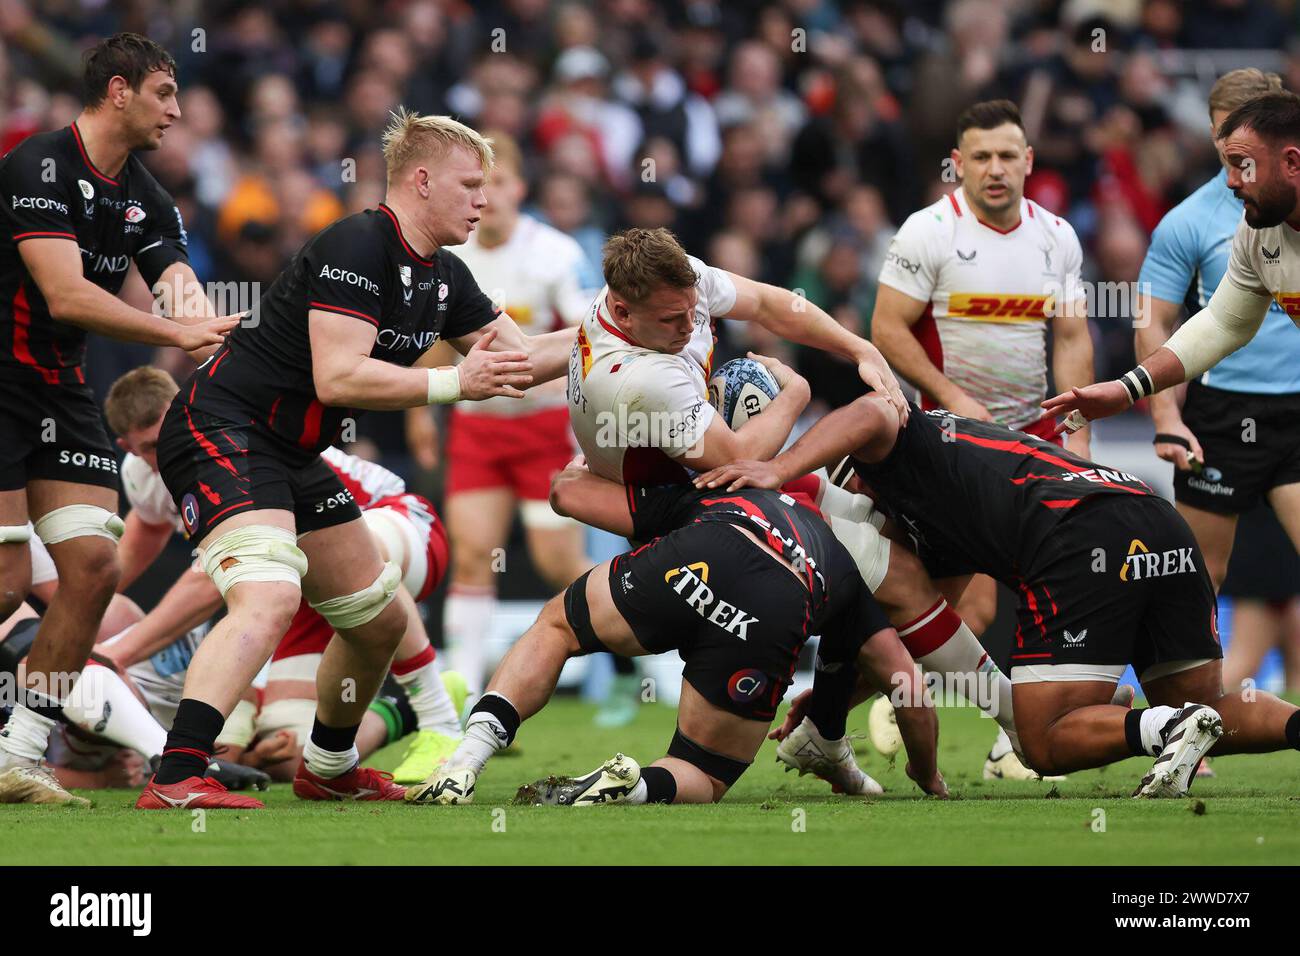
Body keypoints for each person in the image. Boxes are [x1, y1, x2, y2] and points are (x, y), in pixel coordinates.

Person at [136, 110, 576, 810]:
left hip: (290, 450)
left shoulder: (445, 276)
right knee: (272, 592)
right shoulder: (358, 241)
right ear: (422, 180)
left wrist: (613, 332)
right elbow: (340, 377)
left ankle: (328, 766)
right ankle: (176, 773)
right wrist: (455, 383)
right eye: (470, 184)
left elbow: (519, 360)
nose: (484, 201)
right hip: (222, 424)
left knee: (379, 622)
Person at [566, 227, 1019, 779]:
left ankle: (824, 729)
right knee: (901, 585)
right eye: (671, 321)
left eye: (692, 313)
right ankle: (1019, 721)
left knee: (905, 555)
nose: (690, 328)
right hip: (722, 514)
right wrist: (796, 393)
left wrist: (858, 346)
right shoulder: (641, 379)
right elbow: (740, 455)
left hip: (749, 493)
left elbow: (773, 304)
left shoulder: (665, 290)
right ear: (624, 310)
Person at [697, 397, 1300, 796]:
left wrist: (780, 468)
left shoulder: (902, 454)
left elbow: (872, 411)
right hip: (1154, 517)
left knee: (1041, 740)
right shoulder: (936, 525)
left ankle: (1166, 727)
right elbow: (929, 635)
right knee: (1213, 707)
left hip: (1076, 537)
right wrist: (841, 696)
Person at [406, 459, 944, 806]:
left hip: (707, 549)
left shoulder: (724, 484)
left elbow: (567, 495)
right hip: (777, 605)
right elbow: (911, 693)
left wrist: (588, 456)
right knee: (701, 774)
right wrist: (926, 775)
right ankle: (633, 786)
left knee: (557, 627)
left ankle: (466, 760)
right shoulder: (846, 569)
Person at [0, 33, 237, 806]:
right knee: (5, 583)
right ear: (119, 92)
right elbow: (66, 295)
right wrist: (175, 333)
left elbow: (176, 282)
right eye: (165, 93)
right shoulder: (38, 167)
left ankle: (18, 753)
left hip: (60, 391)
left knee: (94, 571)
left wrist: (209, 331)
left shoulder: (148, 195)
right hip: (1, 381)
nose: (177, 110)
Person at [869, 102, 1093, 777]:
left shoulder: (1056, 236)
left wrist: (1076, 435)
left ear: (1029, 160)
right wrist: (956, 401)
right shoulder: (928, 232)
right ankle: (869, 701)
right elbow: (887, 330)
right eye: (981, 157)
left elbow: (1074, 335)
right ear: (958, 163)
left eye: (1008, 156)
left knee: (1044, 581)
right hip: (946, 440)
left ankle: (1005, 730)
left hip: (1030, 438)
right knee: (965, 593)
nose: (995, 169)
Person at [1134, 71, 1300, 705]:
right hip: (1225, 415)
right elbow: (1164, 321)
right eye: (1228, 138)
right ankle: (1184, 724)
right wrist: (1161, 413)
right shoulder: (1210, 222)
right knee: (1200, 577)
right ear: (1213, 133)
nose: (1235, 165)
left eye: (1247, 151)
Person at [436, 131, 596, 695]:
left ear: (520, 187)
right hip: (477, 427)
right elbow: (437, 338)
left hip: (544, 429)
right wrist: (415, 417)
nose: (489, 194)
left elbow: (590, 335)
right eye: (477, 183)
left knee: (558, 562)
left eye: (498, 181)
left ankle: (646, 666)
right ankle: (465, 693)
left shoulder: (555, 252)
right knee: (474, 555)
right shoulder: (451, 251)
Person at [1045, 91, 1300, 433]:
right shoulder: (1257, 233)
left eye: (1244, 166)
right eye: (1228, 165)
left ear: (1292, 163)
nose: (1231, 181)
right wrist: (1127, 389)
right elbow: (1224, 324)